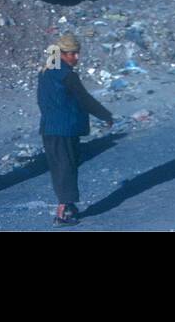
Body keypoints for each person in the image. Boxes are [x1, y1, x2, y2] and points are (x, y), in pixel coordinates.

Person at [37, 33, 113, 226]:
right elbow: (85, 99)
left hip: (48, 128)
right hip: (66, 128)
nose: (77, 57)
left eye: (77, 53)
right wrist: (105, 115)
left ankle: (68, 205)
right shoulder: (68, 75)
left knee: (59, 167)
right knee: (67, 167)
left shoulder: (45, 72)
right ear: (62, 54)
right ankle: (62, 212)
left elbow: (41, 101)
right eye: (73, 53)